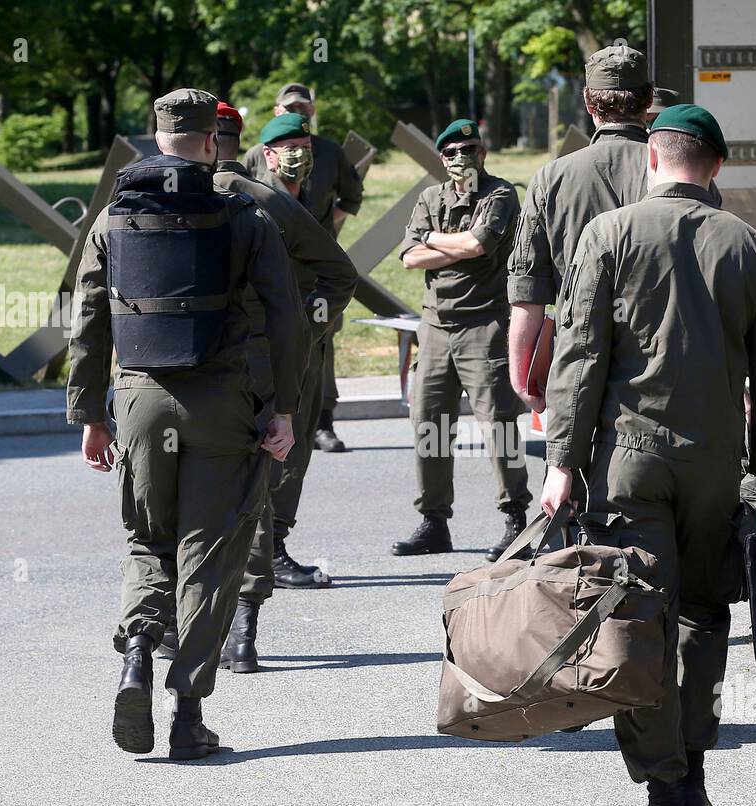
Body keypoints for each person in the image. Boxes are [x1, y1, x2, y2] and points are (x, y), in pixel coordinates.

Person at [539, 104, 756, 806]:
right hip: (716, 464)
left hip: (628, 460)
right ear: (715, 166)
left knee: (636, 619)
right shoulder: (751, 244)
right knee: (701, 615)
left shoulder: (608, 235)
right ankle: (691, 775)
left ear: (651, 160)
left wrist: (562, 460)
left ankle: (660, 796)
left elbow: (581, 358)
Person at [66, 88, 305, 759]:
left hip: (141, 401)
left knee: (148, 539)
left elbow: (84, 316)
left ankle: (137, 650)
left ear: (155, 135)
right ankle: (187, 715)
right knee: (210, 551)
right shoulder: (242, 211)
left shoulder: (114, 215)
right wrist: (283, 405)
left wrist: (89, 413)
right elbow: (286, 316)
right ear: (210, 141)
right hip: (222, 402)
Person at [211, 104, 358, 668]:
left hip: (212, 369)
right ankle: (238, 627)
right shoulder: (257, 196)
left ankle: (174, 631)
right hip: (260, 362)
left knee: (244, 484)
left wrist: (305, 322)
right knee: (253, 484)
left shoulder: (150, 196)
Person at [392, 118, 530, 560]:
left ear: (483, 152)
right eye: (451, 152)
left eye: (468, 149)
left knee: (498, 426)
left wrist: (434, 239)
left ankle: (515, 519)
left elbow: (480, 245)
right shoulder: (430, 197)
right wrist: (447, 242)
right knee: (429, 425)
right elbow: (410, 257)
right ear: (441, 159)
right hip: (434, 327)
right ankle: (434, 522)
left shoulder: (500, 194)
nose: (459, 158)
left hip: (484, 325)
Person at [506, 45, 656, 415]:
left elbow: (528, 288)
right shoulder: (680, 168)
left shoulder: (551, 178)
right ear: (648, 100)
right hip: (664, 354)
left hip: (579, 358)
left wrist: (521, 372)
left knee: (571, 468)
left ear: (590, 103)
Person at [244, 82, 365, 453]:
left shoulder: (328, 152)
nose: (299, 113)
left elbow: (352, 196)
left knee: (318, 349)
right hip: (271, 274)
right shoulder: (255, 156)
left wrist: (318, 232)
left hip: (317, 274)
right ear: (277, 111)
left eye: (305, 108)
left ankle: (321, 423)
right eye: (290, 108)